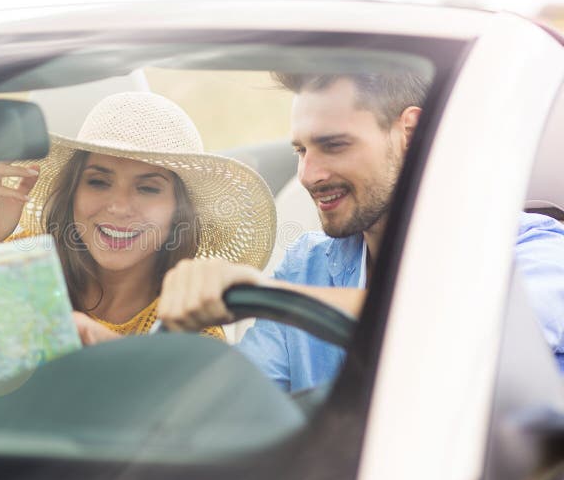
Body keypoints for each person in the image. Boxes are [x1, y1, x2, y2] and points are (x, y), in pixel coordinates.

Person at [155, 72, 564, 392]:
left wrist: (277, 297)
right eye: (301, 150)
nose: (308, 175)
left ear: (411, 135)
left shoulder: (535, 252)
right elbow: (239, 400)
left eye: (334, 145)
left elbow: (475, 325)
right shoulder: (305, 265)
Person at [0, 91, 277, 344]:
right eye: (98, 182)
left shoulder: (192, 330)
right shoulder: (26, 263)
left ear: (178, 211)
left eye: (148, 188)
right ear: (73, 192)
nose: (119, 207)